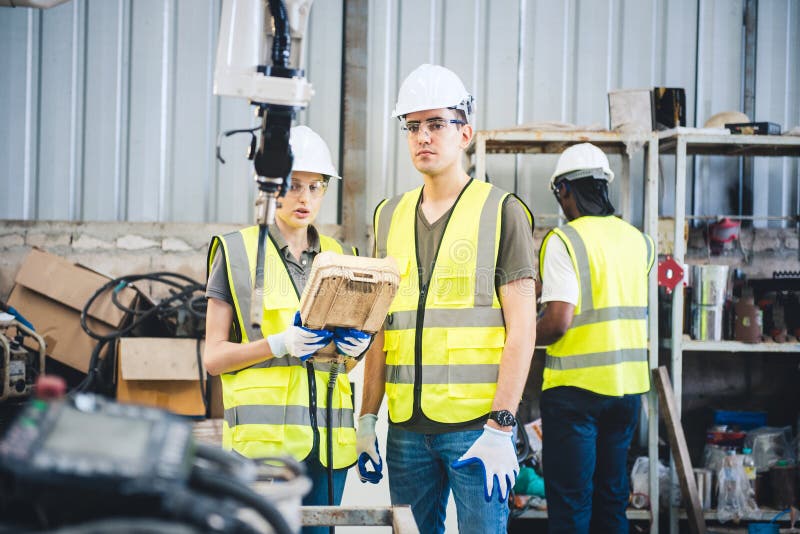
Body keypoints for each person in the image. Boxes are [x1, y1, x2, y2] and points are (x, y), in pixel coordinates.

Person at [357, 63, 538, 534]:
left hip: (477, 429)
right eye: (413, 126)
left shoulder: (503, 212)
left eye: (437, 124)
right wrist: (366, 419)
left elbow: (523, 328)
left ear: (466, 133)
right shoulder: (387, 216)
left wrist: (502, 425)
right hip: (406, 430)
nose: (423, 137)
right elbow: (380, 329)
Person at [204, 125, 372, 534]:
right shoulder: (236, 253)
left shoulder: (341, 256)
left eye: (316, 187)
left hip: (330, 445)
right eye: (294, 185)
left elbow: (347, 363)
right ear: (270, 186)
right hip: (266, 448)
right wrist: (278, 344)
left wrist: (357, 347)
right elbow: (213, 359)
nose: (305, 198)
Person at [536, 143, 654, 534]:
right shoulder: (639, 240)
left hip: (575, 394)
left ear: (564, 190)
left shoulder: (564, 240)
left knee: (571, 505)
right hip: (626, 394)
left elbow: (557, 322)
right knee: (611, 500)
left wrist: (517, 336)